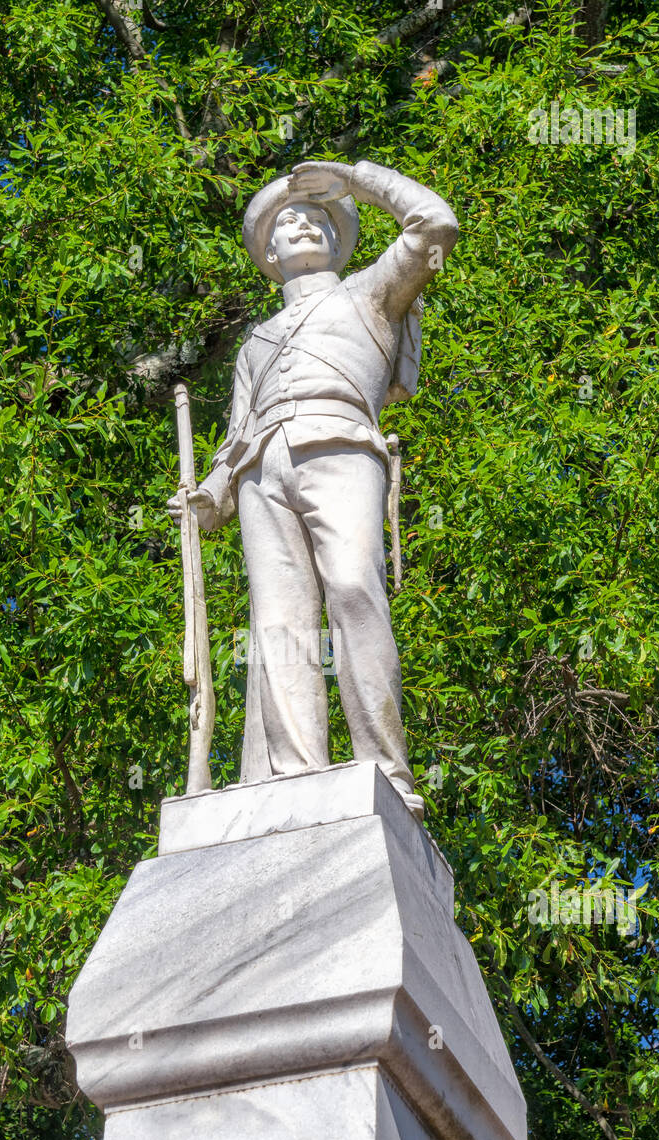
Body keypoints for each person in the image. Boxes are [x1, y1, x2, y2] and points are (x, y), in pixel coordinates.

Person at [167, 159, 458, 820]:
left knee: (354, 588)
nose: (299, 226)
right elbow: (237, 436)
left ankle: (385, 766)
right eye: (285, 224)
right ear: (268, 253)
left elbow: (435, 223)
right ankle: (292, 772)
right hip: (262, 475)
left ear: (336, 235)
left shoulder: (370, 293)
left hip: (343, 448)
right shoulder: (255, 344)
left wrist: (356, 180)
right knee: (279, 625)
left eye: (313, 217)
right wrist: (209, 496)